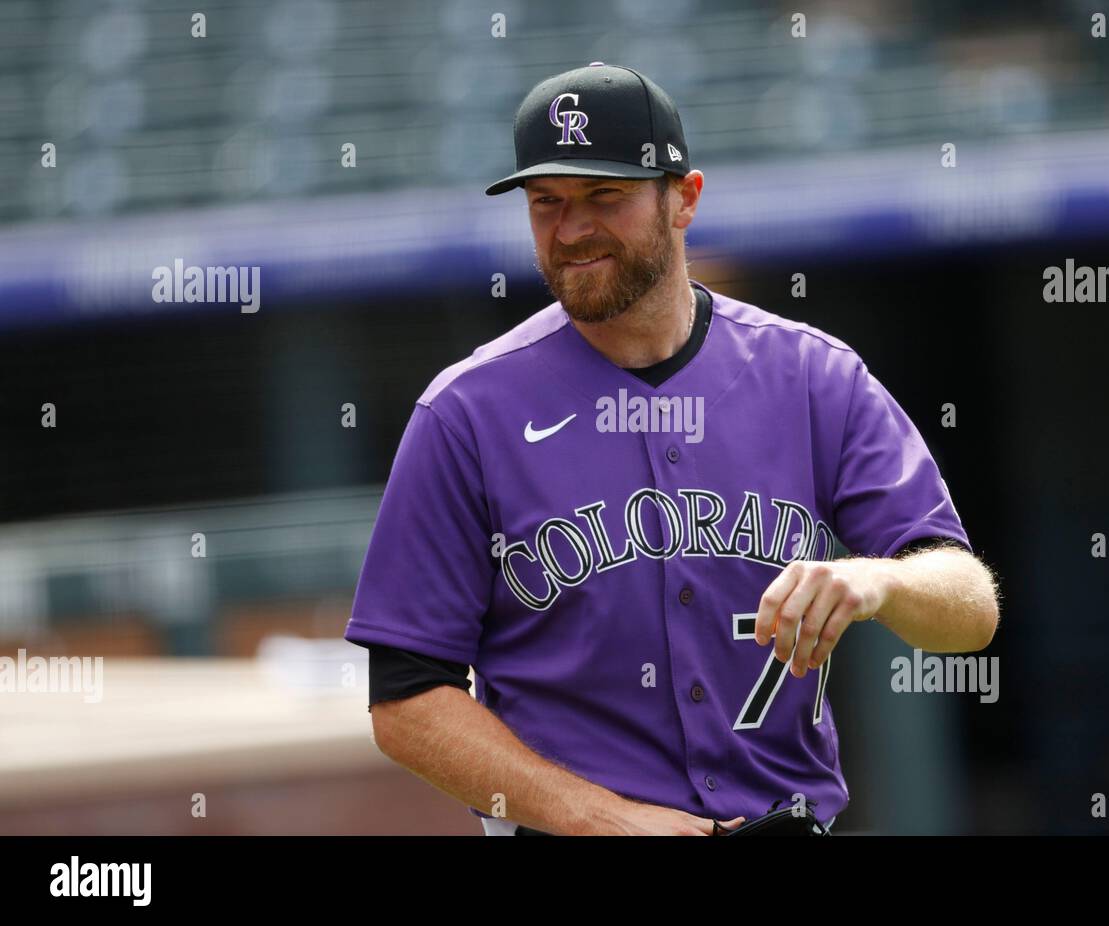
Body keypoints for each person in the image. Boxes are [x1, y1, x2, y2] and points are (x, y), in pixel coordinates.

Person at [344, 63, 1000, 836]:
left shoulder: (813, 377)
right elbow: (404, 701)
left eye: (604, 197)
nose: (571, 228)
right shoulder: (464, 413)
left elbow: (969, 609)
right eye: (546, 203)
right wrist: (599, 819)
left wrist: (877, 581)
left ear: (684, 198)